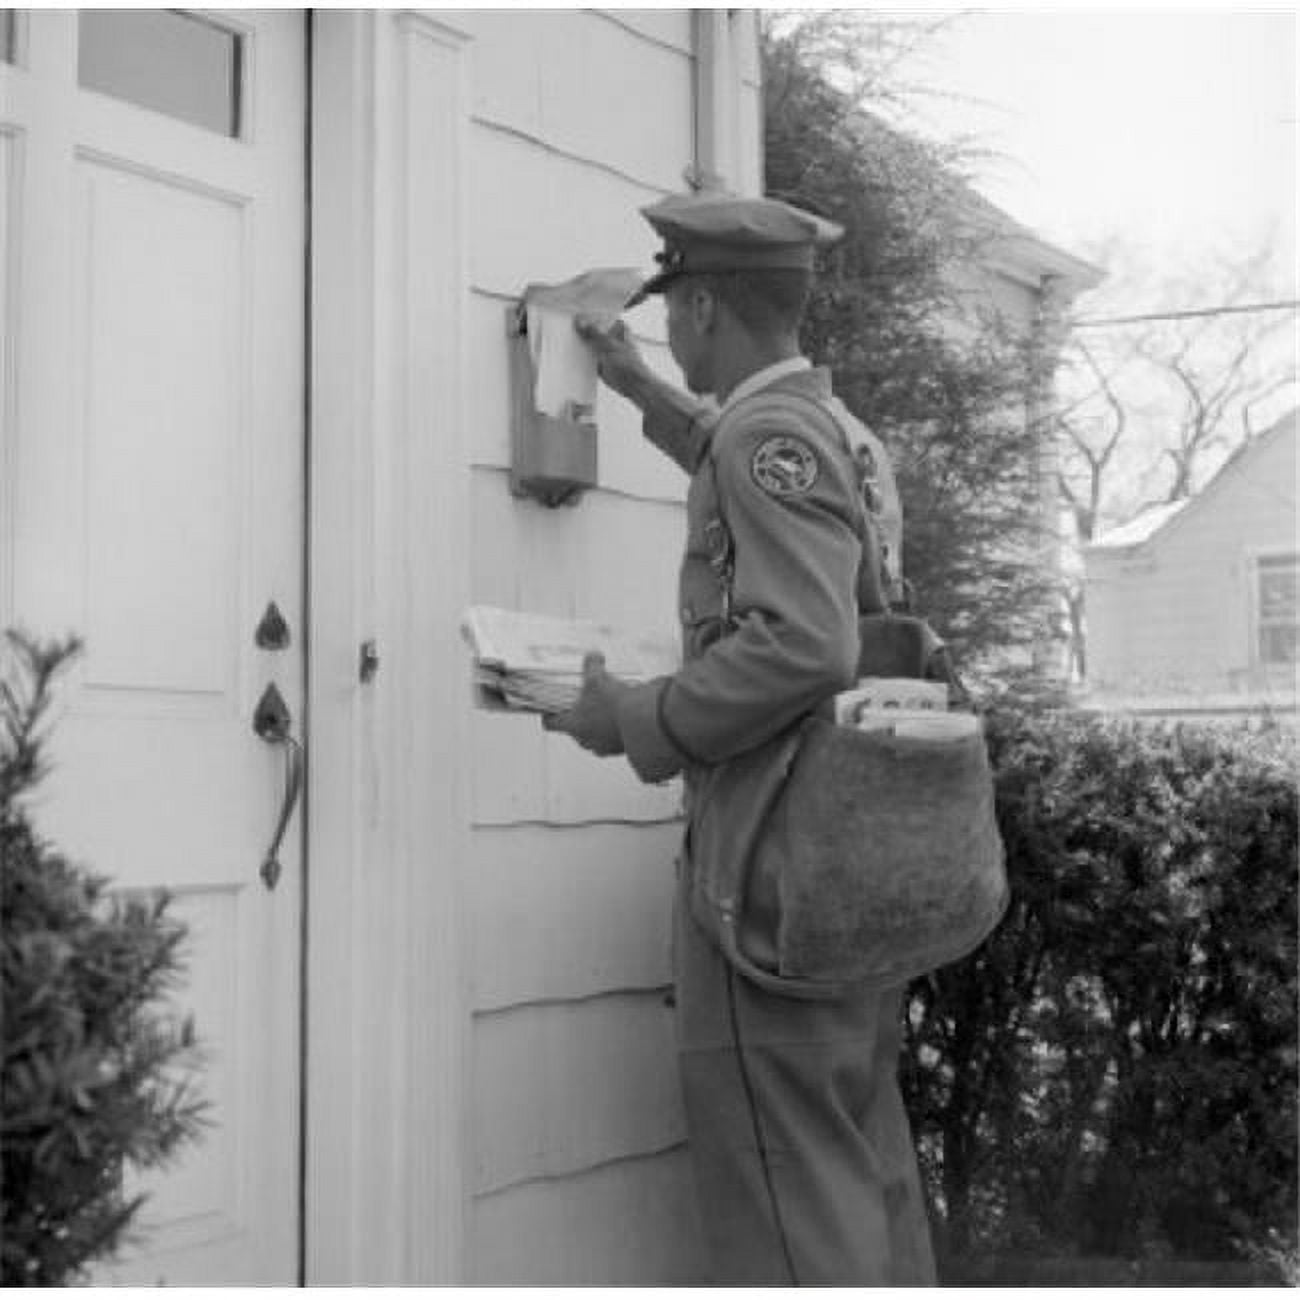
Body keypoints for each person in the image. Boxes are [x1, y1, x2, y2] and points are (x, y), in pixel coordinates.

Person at [543, 190, 937, 1285]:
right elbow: (752, 483)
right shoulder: (828, 431)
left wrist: (630, 717)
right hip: (855, 859)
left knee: (785, 1195)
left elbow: (806, 645)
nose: (670, 325)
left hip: (774, 859)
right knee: (857, 1163)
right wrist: (635, 387)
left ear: (705, 303)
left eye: (675, 304)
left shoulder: (766, 435)